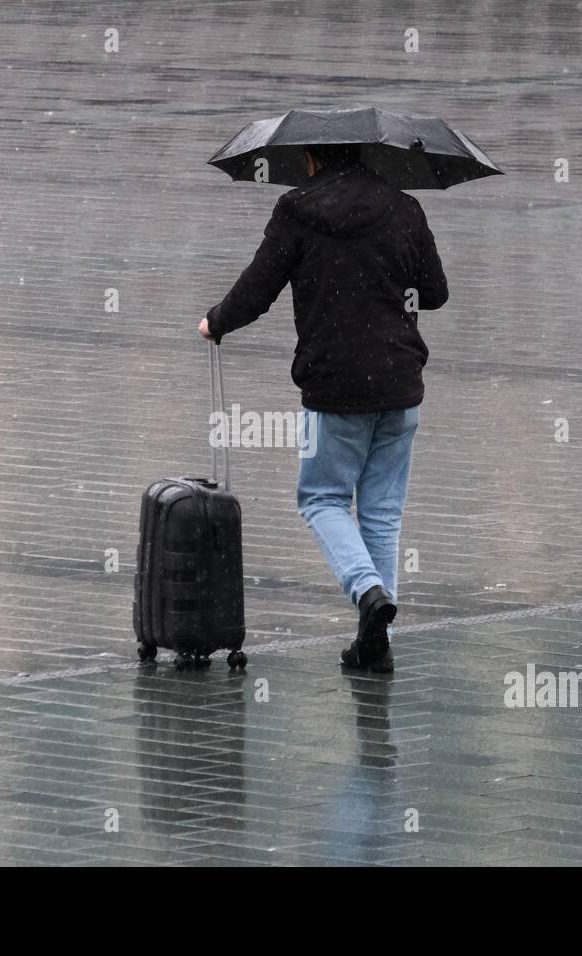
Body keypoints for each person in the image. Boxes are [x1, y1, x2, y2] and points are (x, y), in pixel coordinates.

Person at [199, 142, 448, 673]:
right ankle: (373, 641)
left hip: (336, 389)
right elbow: (435, 293)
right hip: (401, 386)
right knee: (381, 511)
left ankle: (368, 594)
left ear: (312, 159)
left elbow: (257, 289)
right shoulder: (405, 207)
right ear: (365, 158)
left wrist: (216, 321)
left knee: (322, 500)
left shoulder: (296, 212)